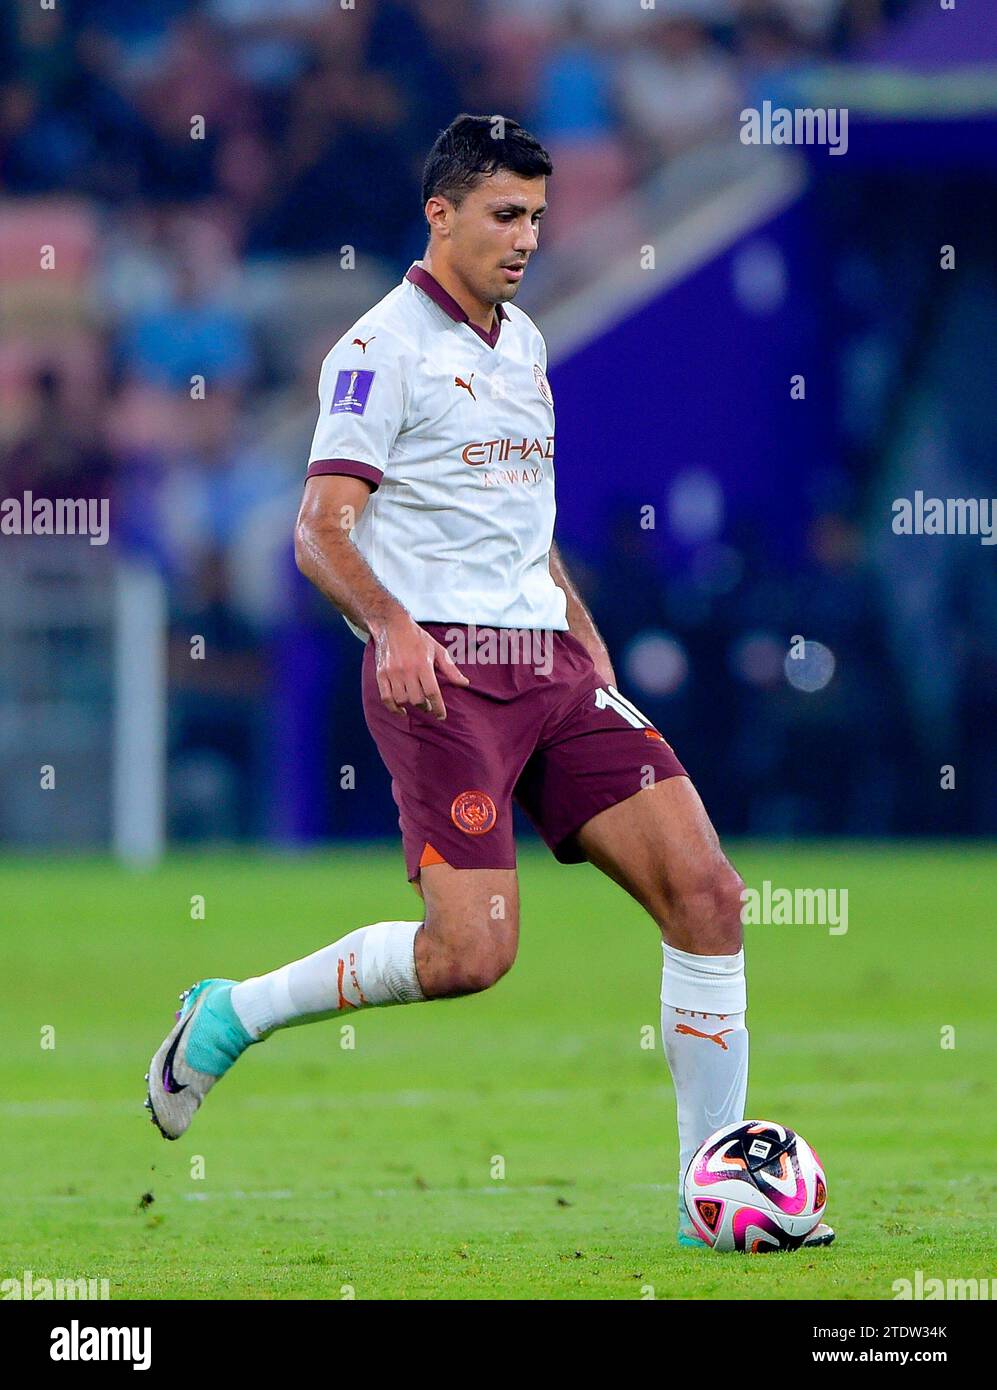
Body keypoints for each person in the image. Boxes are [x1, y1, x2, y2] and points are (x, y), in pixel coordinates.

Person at [145, 113, 832, 1249]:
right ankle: (228, 1013)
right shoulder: (378, 350)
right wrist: (393, 628)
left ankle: (702, 1199)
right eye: (505, 215)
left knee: (707, 896)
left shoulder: (524, 344)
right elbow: (318, 531)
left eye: (537, 219)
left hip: (551, 668)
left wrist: (584, 632)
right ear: (442, 213)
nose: (524, 238)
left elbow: (523, 522)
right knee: (473, 953)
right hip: (442, 680)